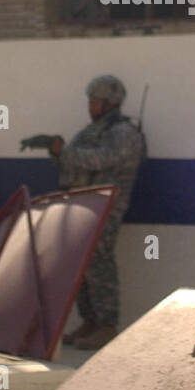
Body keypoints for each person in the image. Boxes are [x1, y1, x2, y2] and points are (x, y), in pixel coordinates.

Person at [21, 75, 146, 350]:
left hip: (106, 207)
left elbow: (100, 159)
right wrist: (57, 152)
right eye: (90, 100)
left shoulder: (124, 132)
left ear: (110, 102)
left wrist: (62, 151)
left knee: (100, 262)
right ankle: (89, 320)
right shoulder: (92, 130)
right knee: (82, 264)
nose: (91, 105)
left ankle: (107, 325)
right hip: (83, 205)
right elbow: (73, 161)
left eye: (95, 100)